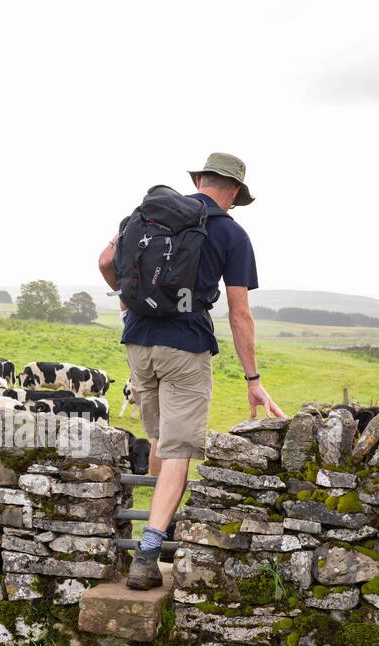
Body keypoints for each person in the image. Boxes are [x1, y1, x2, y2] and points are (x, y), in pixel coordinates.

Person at [97, 152, 285, 590]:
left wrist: (128, 304)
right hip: (186, 347)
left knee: (161, 439)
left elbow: (106, 263)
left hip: (138, 344)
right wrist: (253, 380)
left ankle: (156, 533)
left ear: (199, 179)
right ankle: (147, 555)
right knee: (180, 451)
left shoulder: (144, 215)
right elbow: (239, 313)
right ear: (234, 192)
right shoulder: (231, 234)